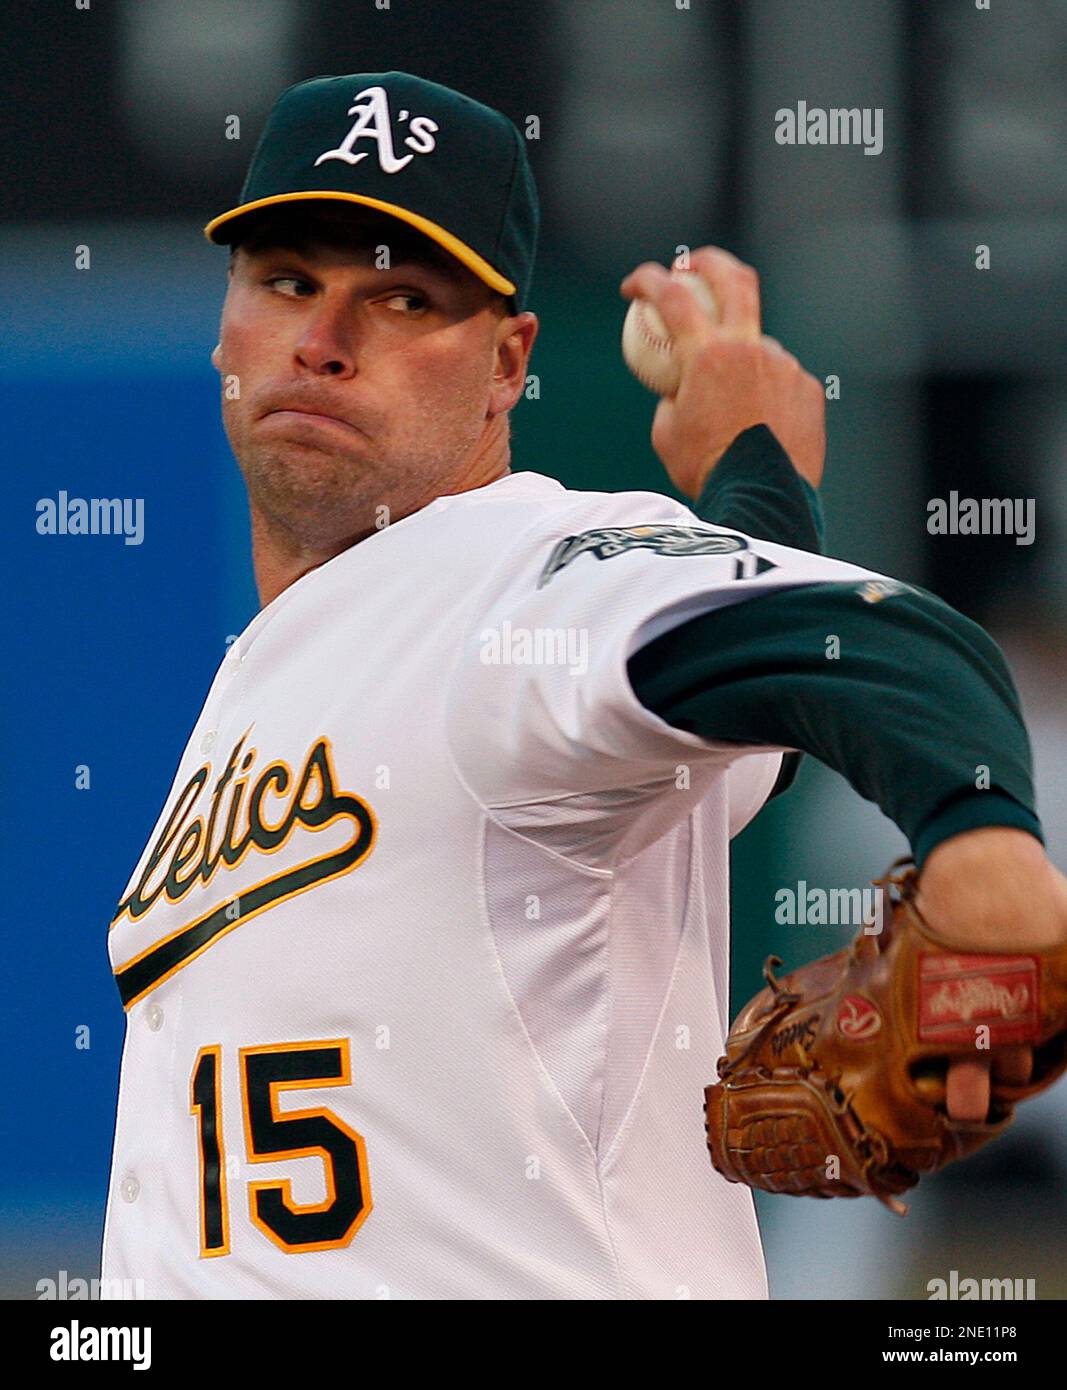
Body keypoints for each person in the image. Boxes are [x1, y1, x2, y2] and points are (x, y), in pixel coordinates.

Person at [103, 71, 1065, 1300]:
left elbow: (868, 639)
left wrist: (983, 847)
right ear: (226, 320)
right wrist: (756, 486)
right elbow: (721, 732)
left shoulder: (507, 579)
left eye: (402, 298)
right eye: (287, 280)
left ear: (508, 364)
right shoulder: (295, 664)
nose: (326, 339)